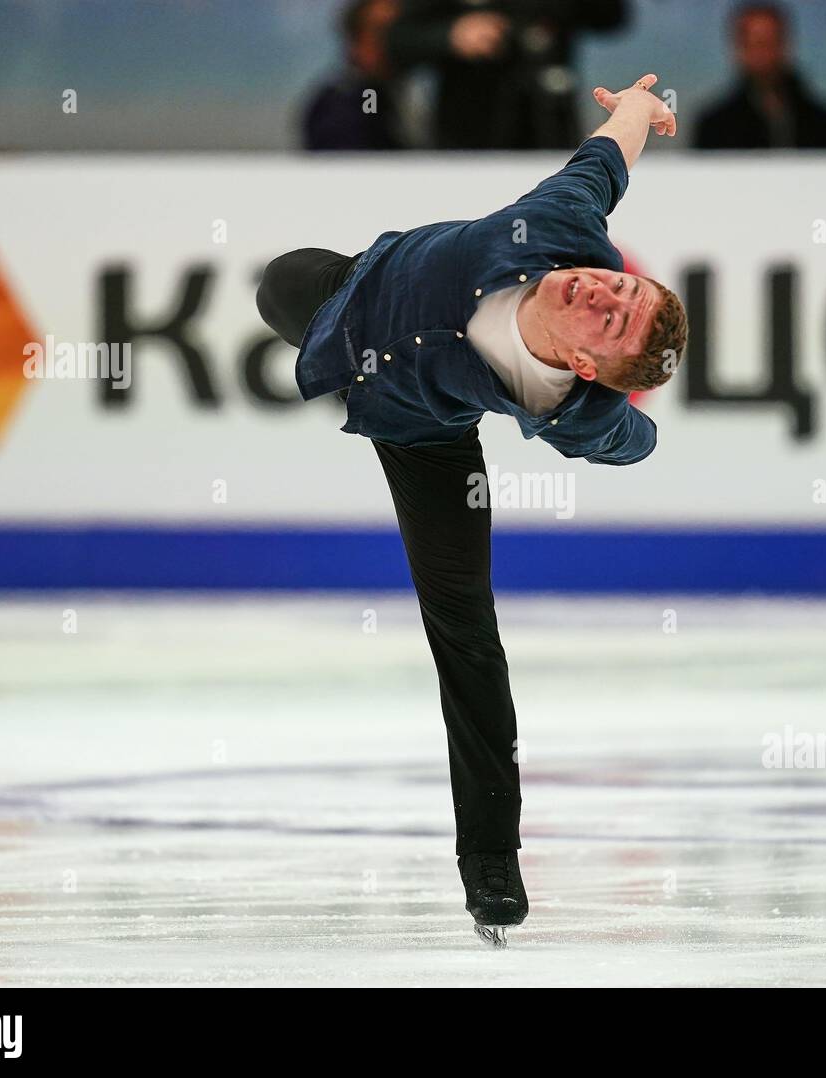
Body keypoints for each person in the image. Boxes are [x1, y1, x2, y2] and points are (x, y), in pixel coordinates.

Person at [256, 73, 687, 946]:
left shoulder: (578, 410)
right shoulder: (563, 225)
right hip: (352, 292)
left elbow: (634, 445)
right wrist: (638, 107)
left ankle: (490, 861)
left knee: (463, 627)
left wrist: (625, 434)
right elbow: (610, 155)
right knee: (277, 284)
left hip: (422, 428)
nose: (600, 293)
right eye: (621, 288)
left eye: (613, 321)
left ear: (594, 369)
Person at [385, 0, 629, 149]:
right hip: (470, 129)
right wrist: (452, 34)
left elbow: (610, 16)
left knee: (554, 221)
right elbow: (398, 40)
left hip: (551, 124)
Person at [695, 2, 826, 150]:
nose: (765, 53)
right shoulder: (716, 125)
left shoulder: (819, 121)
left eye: (772, 42)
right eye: (757, 43)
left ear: (786, 45)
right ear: (739, 49)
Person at [300, 0, 406, 151]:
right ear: (356, 41)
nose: (394, 42)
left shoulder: (388, 93)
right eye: (382, 32)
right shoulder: (356, 99)